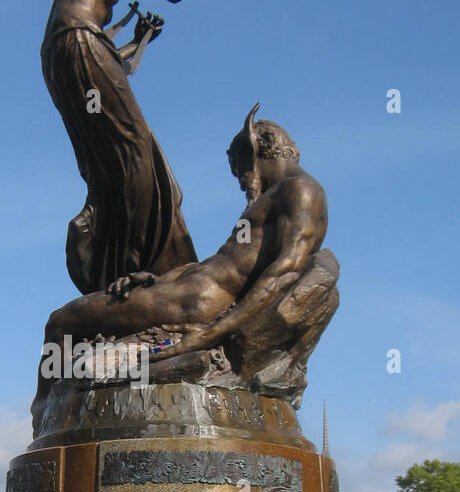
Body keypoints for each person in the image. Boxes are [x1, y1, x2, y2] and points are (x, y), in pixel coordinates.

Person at [35, 107, 331, 409]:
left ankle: (44, 419)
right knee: (68, 325)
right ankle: (61, 419)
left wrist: (213, 333)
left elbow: (285, 272)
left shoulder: (300, 190)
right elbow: (221, 265)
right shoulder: (281, 194)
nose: (242, 181)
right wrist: (157, 279)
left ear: (256, 151)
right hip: (189, 291)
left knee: (62, 322)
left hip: (195, 302)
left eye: (240, 170)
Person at [42, 0, 197, 294]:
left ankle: (102, 243)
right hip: (79, 44)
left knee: (109, 159)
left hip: (66, 55)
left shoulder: (97, 1)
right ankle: (137, 260)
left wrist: (140, 40)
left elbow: (112, 65)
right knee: (137, 149)